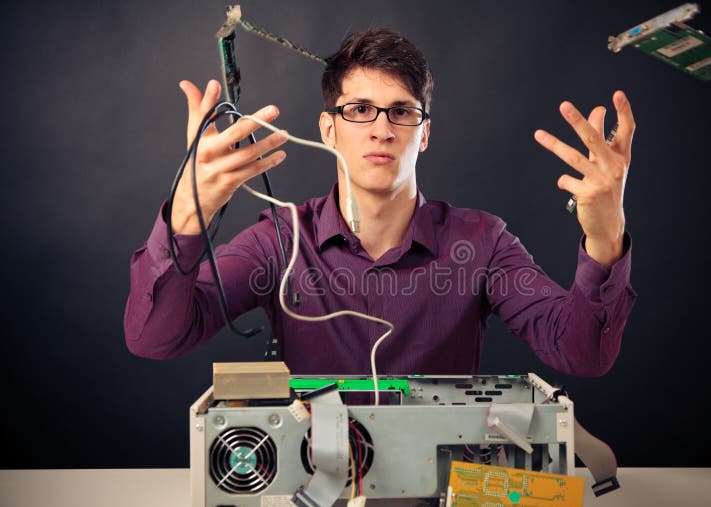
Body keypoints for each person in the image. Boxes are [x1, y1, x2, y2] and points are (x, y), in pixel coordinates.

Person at [124, 28, 636, 377]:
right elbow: (154, 338)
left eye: (401, 112)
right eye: (360, 109)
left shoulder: (482, 243)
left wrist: (606, 237)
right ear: (328, 129)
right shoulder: (278, 242)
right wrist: (188, 216)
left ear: (425, 134)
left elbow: (581, 352)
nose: (383, 129)